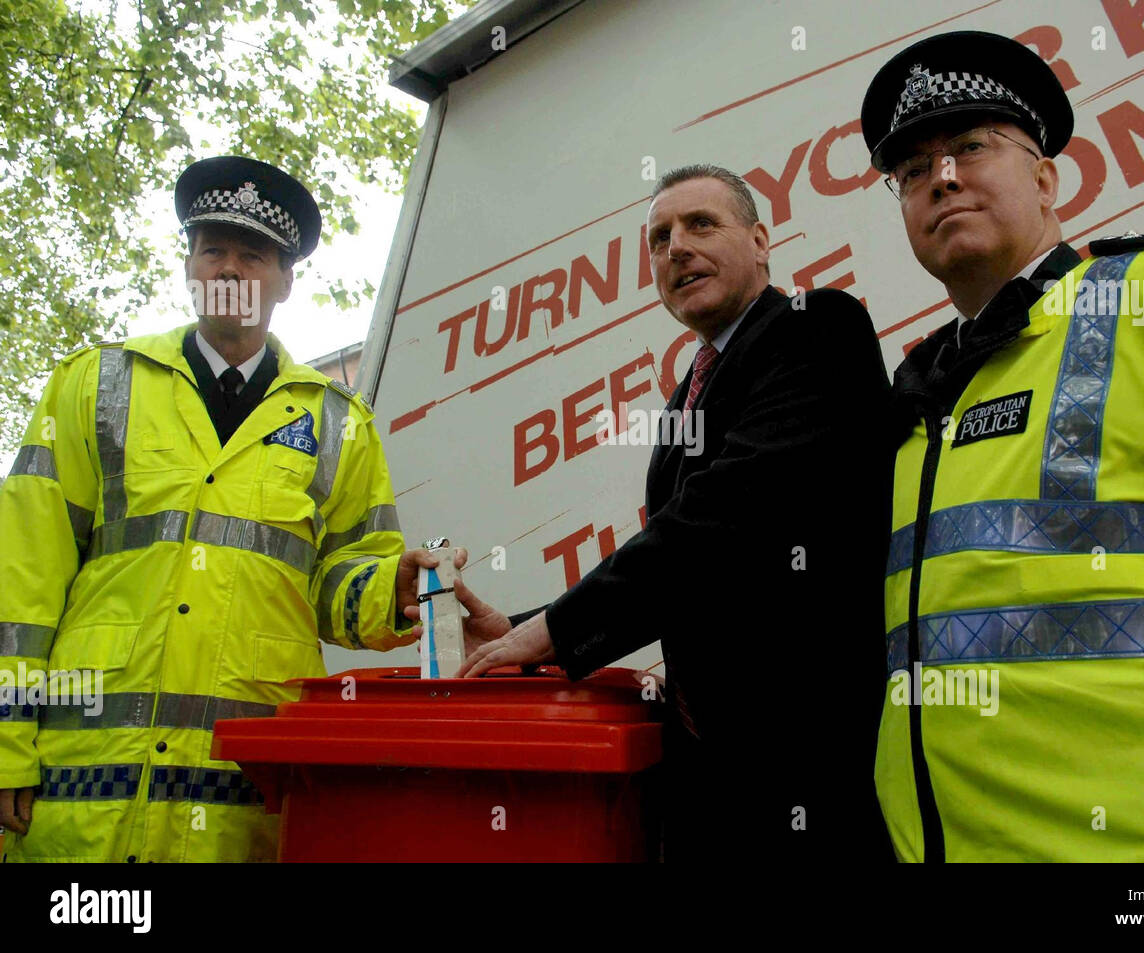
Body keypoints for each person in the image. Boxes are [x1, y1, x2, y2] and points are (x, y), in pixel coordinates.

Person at [859, 30, 1144, 861]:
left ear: (1047, 177)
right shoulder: (922, 394)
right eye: (912, 172)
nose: (940, 179)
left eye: (970, 147)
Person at [0, 155, 460, 862]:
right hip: (78, 795)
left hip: (240, 800)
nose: (228, 270)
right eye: (211, 249)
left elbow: (340, 583)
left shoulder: (340, 424)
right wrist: (5, 748)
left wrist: (389, 590)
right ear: (188, 265)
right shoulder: (94, 385)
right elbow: (19, 580)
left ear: (284, 281)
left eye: (251, 255)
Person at [434, 165, 892, 861]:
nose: (675, 247)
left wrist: (555, 630)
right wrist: (521, 628)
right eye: (658, 238)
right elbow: (679, 567)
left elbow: (724, 518)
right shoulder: (687, 395)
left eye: (700, 224)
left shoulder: (817, 328)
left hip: (810, 774)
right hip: (708, 779)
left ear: (762, 240)